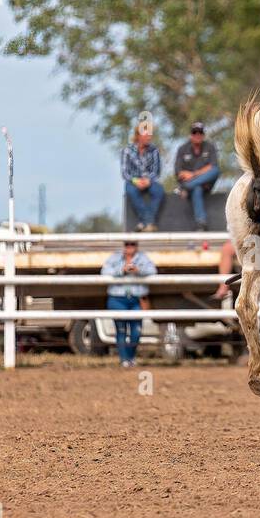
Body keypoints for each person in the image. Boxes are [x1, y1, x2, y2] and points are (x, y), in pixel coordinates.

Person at [102, 239, 156, 367]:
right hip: (117, 298)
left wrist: (139, 270)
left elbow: (153, 271)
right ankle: (124, 360)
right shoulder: (114, 258)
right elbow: (104, 272)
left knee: (136, 331)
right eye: (127, 244)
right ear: (124, 246)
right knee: (121, 330)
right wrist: (122, 270)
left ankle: (131, 357)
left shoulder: (143, 258)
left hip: (136, 298)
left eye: (133, 244)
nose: (130, 247)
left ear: (137, 246)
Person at [174, 122, 220, 230]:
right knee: (197, 188)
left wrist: (193, 175)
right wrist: (201, 173)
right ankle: (201, 222)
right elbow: (178, 172)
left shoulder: (210, 147)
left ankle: (184, 187)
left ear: (203, 135)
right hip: (196, 187)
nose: (197, 135)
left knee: (216, 171)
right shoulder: (182, 149)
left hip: (206, 184)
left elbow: (213, 167)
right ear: (191, 135)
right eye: (195, 132)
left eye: (200, 132)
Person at [121, 126, 164, 232]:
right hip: (134, 181)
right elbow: (125, 172)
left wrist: (148, 180)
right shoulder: (127, 151)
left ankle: (143, 224)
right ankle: (148, 222)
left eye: (150, 135)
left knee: (159, 190)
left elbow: (156, 171)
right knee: (130, 190)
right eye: (146, 135)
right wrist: (136, 181)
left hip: (149, 180)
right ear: (138, 136)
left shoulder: (154, 150)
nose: (149, 137)